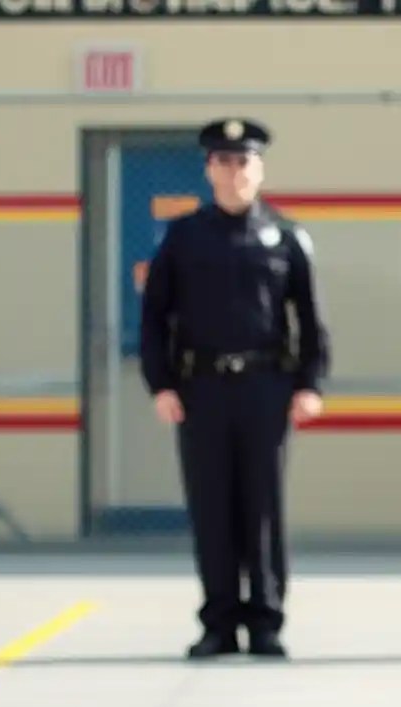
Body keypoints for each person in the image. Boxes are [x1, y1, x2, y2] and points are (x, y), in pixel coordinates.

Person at [139, 118, 331, 660]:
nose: (233, 171)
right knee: (212, 506)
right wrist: (162, 384)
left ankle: (266, 620)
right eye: (223, 161)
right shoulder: (184, 236)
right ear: (208, 170)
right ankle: (219, 622)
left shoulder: (286, 235)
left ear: (260, 168)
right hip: (200, 389)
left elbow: (312, 319)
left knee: (262, 506)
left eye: (243, 161)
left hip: (266, 387)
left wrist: (309, 383)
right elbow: (154, 317)